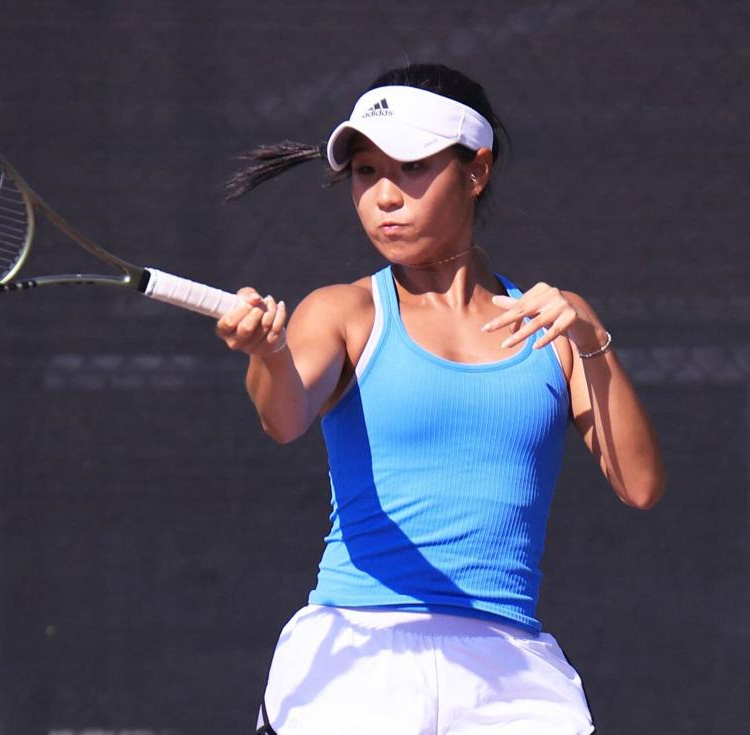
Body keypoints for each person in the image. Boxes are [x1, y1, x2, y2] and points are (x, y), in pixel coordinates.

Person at [216, 63, 665, 734]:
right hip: (357, 655)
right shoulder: (344, 311)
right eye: (366, 173)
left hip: (510, 669)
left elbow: (639, 485)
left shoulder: (557, 325)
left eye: (412, 167)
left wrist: (592, 337)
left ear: (476, 170)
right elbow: (283, 417)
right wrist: (266, 352)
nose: (385, 196)